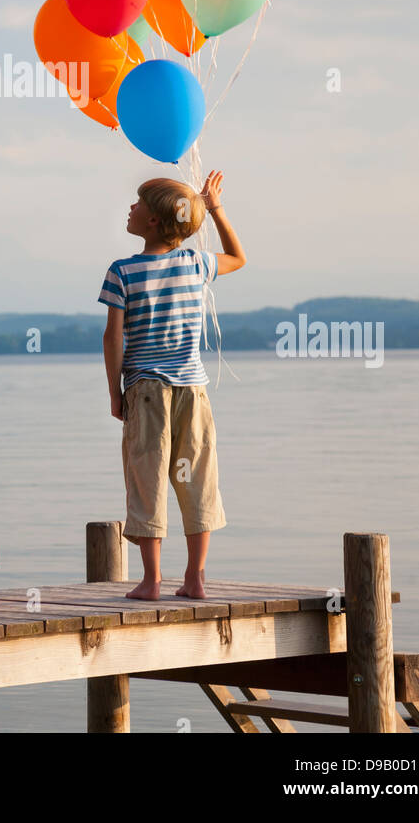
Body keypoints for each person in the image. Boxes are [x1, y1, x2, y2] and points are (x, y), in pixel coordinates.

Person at [99, 170, 245, 600]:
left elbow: (113, 338)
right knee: (198, 477)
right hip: (193, 393)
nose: (131, 207)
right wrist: (215, 208)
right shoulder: (196, 264)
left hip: (145, 391)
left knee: (147, 478)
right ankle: (196, 578)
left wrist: (114, 392)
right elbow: (238, 256)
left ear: (154, 223)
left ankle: (151, 580)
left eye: (139, 203)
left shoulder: (122, 271)